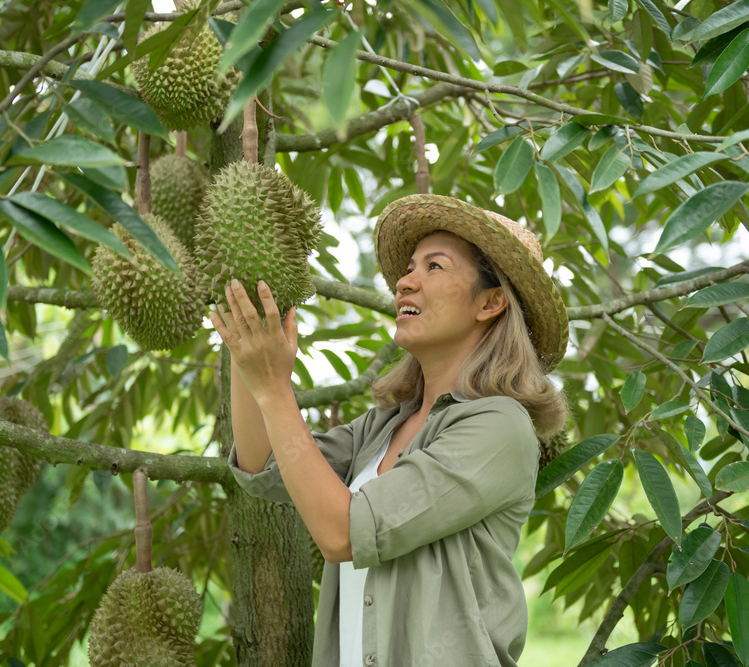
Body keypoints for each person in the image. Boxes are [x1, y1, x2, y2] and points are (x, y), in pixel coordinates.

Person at [209, 193, 570, 667]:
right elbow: (263, 466)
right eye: (409, 267)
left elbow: (341, 533)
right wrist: (247, 341)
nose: (405, 281)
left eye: (433, 267)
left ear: (491, 302)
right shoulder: (384, 426)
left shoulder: (499, 426)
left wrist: (275, 387)